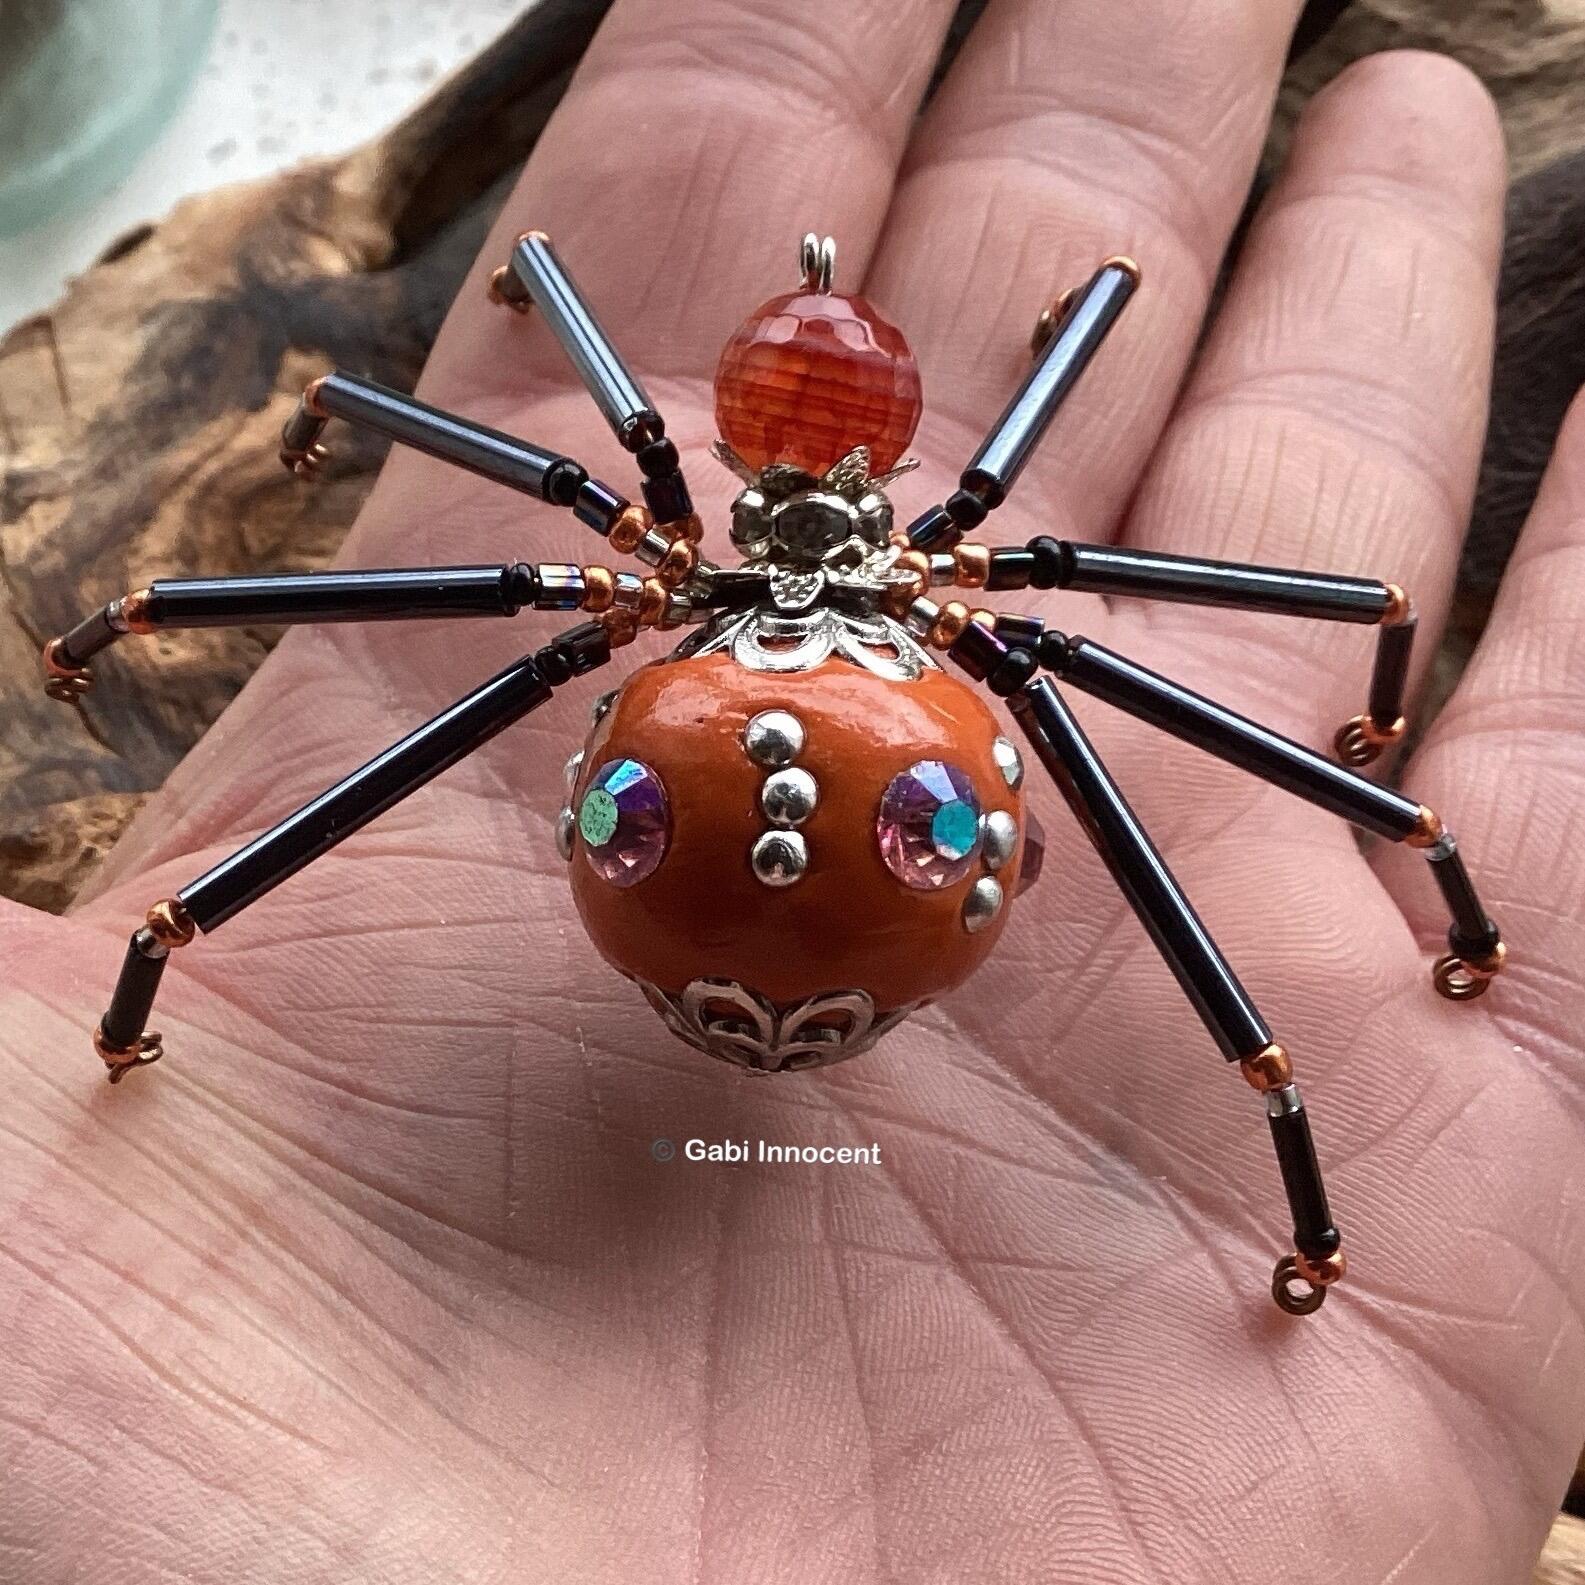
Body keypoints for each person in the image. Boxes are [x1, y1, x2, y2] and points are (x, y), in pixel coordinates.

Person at [3, 1, 1580, 1577]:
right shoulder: (986, 602)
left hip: (680, 845)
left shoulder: (630, 546)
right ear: (885, 465)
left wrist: (138, 623)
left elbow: (475, 436)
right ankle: (1293, 1154)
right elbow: (1368, 604)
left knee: (480, 643)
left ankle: (167, 943)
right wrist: (1414, 819)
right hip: (881, 859)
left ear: (742, 454)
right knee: (1129, 747)